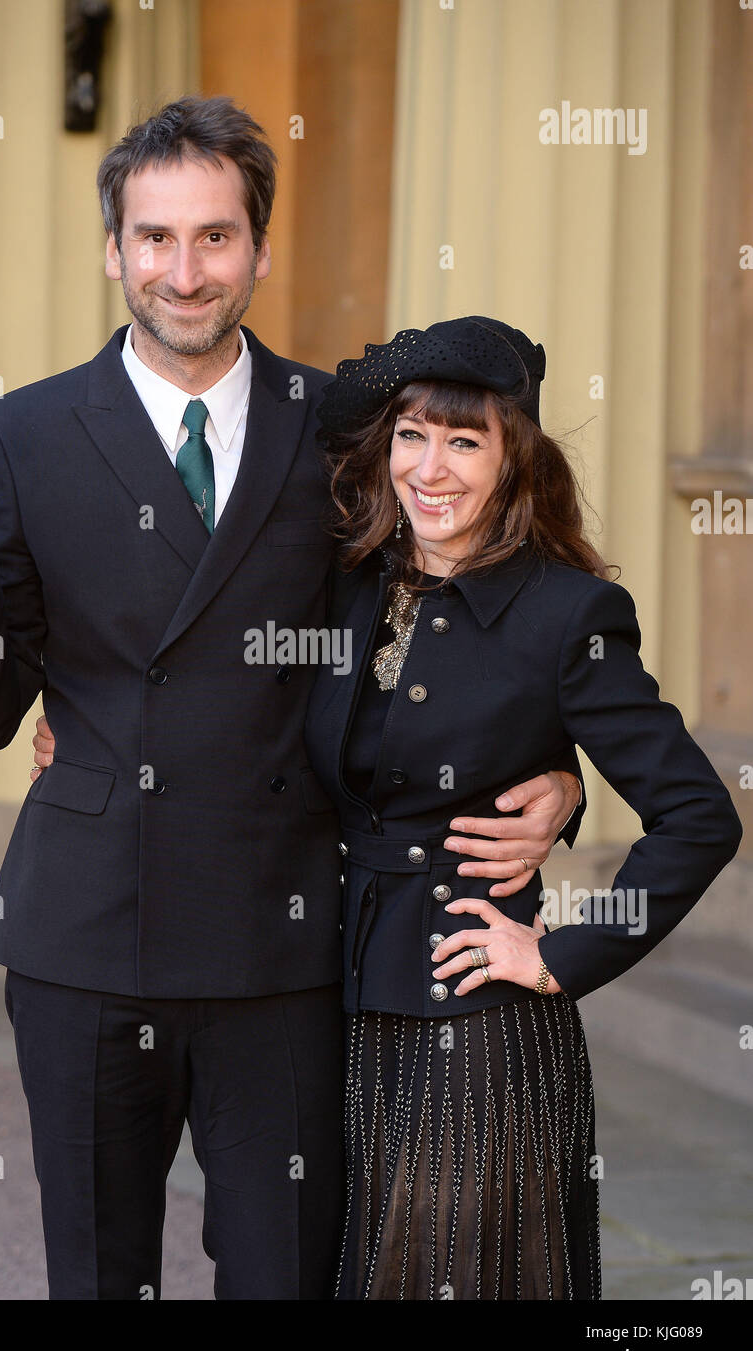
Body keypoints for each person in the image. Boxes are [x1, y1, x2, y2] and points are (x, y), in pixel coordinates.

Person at [0, 98, 583, 1300]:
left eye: (213, 238)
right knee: (97, 1278)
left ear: (259, 249)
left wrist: (555, 765)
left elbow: (449, 615)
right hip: (89, 937)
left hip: (286, 939)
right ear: (112, 250)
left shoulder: (346, 432)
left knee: (286, 1278)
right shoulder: (23, 437)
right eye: (154, 238)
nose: (183, 270)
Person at [297, 315, 743, 1300]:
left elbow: (699, 815)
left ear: (515, 462)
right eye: (411, 433)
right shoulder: (354, 579)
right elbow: (325, 412)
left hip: (478, 1025)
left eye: (465, 439)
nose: (431, 467)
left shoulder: (564, 613)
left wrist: (558, 952)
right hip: (340, 1006)